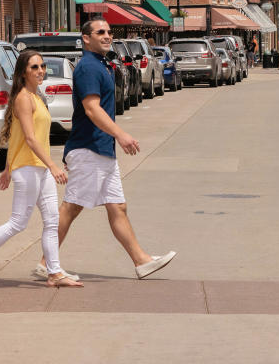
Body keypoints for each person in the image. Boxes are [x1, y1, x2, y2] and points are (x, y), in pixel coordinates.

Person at [39, 18, 176, 280]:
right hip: (88, 148)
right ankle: (47, 263)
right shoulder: (88, 68)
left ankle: (141, 261)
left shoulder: (101, 64)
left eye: (109, 32)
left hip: (101, 148)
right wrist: (121, 135)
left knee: (117, 207)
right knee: (71, 207)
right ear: (85, 39)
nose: (107, 36)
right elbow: (91, 109)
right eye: (100, 32)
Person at [0, 49, 82, 290]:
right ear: (23, 73)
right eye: (34, 67)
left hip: (36, 168)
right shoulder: (24, 99)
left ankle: (54, 273)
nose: (40, 71)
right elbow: (29, 138)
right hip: (29, 169)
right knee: (18, 222)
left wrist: (7, 168)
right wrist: (53, 165)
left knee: (51, 220)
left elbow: (15, 136)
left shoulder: (36, 96)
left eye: (42, 66)